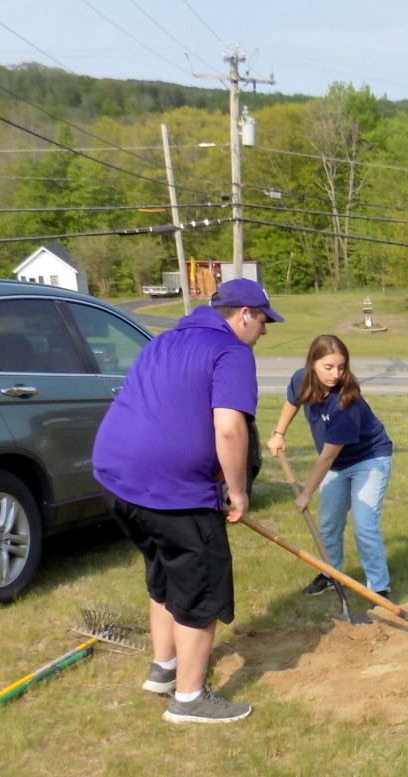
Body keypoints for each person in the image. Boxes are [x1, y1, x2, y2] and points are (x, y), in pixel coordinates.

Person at [92, 278, 283, 724]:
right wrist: (237, 491)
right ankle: (190, 699)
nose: (265, 331)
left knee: (163, 570)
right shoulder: (232, 352)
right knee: (200, 587)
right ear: (244, 315)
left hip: (116, 479)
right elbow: (231, 429)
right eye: (264, 321)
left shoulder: (165, 341)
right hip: (171, 490)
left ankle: (164, 669)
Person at [266, 334, 393, 598]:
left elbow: (326, 457)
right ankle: (330, 574)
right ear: (312, 363)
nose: (336, 374)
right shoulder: (301, 379)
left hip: (368, 459)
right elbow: (293, 401)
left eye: (342, 367)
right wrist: (279, 433)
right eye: (328, 367)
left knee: (364, 524)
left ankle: (379, 588)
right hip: (337, 464)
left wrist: (305, 493)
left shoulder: (345, 403)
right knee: (329, 523)